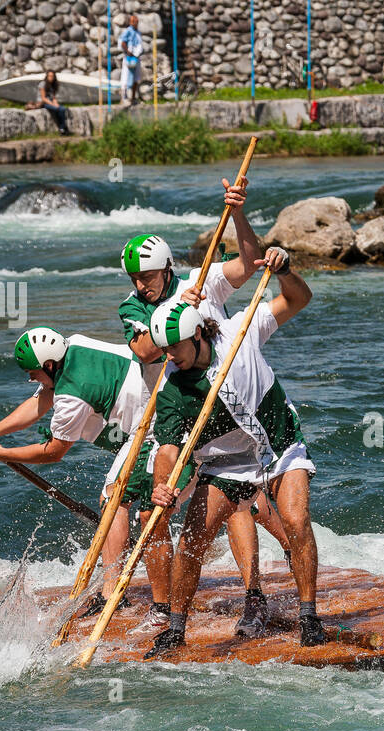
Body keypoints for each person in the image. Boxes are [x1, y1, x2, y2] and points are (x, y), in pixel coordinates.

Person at [117, 180, 294, 640]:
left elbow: (250, 263)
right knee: (152, 510)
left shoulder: (203, 281)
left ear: (168, 268)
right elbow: (145, 351)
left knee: (240, 503)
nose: (141, 285)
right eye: (135, 279)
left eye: (148, 277)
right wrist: (176, 316)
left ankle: (257, 594)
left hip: (223, 406)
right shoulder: (134, 306)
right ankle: (165, 608)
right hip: (173, 411)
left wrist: (237, 212)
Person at [145, 247, 321, 659]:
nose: (169, 358)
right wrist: (161, 485)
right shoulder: (172, 389)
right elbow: (169, 450)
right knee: (191, 540)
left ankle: (309, 615)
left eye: (175, 349)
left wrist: (286, 272)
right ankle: (175, 628)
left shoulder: (240, 331)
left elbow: (298, 299)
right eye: (164, 351)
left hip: (277, 445)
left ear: (198, 334)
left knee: (295, 519)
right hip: (224, 463)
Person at [0, 328, 179, 625]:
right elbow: (43, 399)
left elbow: (54, 452)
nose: (30, 379)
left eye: (33, 373)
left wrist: (1, 454)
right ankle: (116, 585)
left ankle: (112, 594)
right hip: (157, 403)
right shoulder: (76, 345)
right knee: (121, 499)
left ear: (50, 366)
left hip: (153, 428)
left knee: (113, 499)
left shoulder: (71, 395)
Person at [118, 15, 144, 105]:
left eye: (136, 21)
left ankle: (133, 98)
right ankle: (124, 97)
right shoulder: (128, 31)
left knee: (136, 78)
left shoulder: (138, 33)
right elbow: (123, 43)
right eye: (133, 21)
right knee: (125, 77)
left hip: (136, 58)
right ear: (130, 22)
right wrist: (128, 52)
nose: (135, 23)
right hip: (129, 58)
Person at [39, 70, 71, 135]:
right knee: (57, 109)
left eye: (52, 76)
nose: (51, 77)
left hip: (51, 103)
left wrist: (56, 103)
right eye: (50, 76)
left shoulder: (52, 85)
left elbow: (53, 97)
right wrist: (53, 104)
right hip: (43, 103)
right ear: (47, 76)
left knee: (63, 109)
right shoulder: (42, 84)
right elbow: (43, 98)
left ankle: (62, 128)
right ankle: (63, 128)